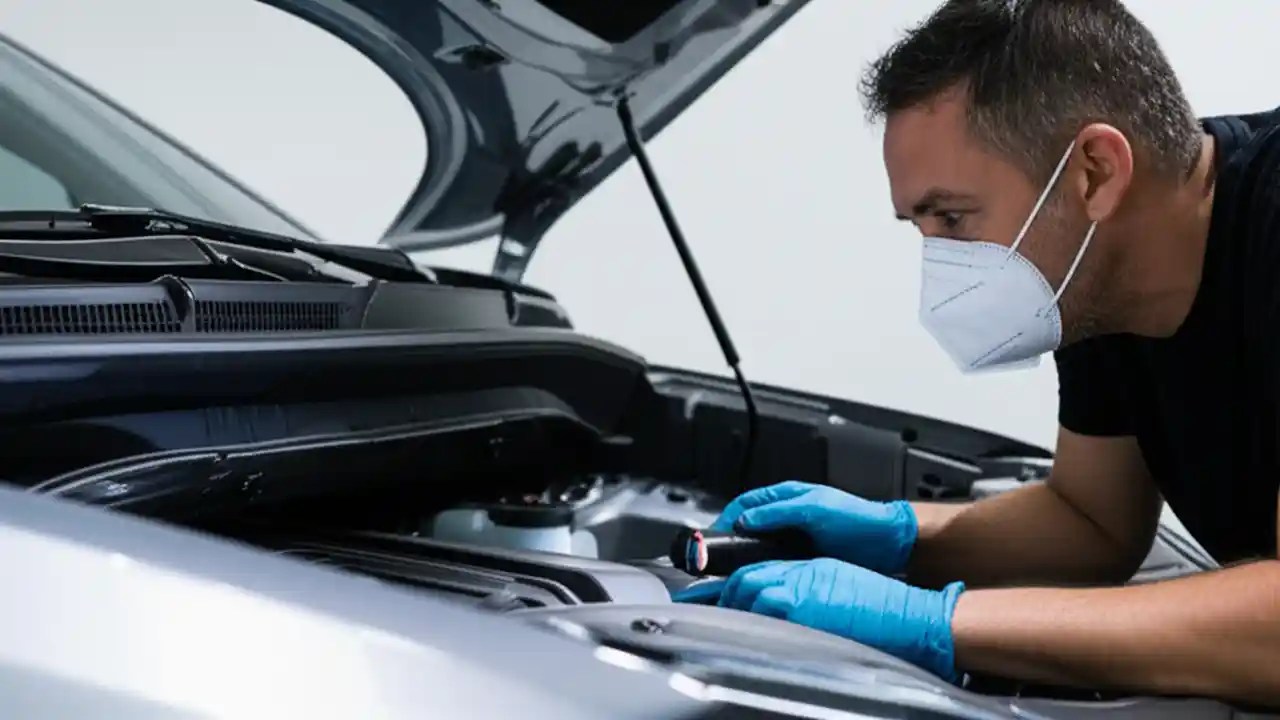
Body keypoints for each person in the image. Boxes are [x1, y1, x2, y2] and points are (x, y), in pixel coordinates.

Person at [675, 0, 1280, 706]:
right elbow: (1093, 522)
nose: (942, 264)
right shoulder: (1103, 274)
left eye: (953, 217)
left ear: (1093, 172)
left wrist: (938, 621)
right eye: (921, 226)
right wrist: (900, 536)